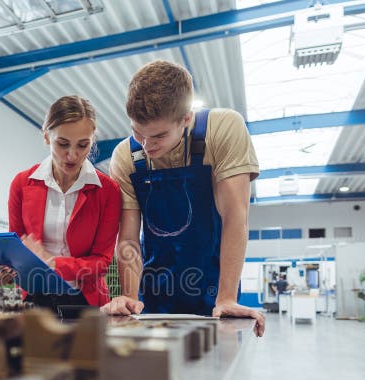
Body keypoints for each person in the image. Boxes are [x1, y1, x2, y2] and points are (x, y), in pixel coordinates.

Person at [100, 60, 265, 336]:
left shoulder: (222, 130)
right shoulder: (125, 155)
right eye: (137, 132)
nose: (146, 145)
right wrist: (129, 297)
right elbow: (128, 238)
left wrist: (226, 298)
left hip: (215, 294)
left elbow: (236, 219)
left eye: (159, 135)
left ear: (187, 118)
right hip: (154, 296)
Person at [0, 95, 122, 311]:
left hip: (85, 302)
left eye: (83, 145)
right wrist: (4, 269)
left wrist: (53, 262)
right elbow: (17, 245)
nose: (72, 155)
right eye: (62, 144)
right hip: (35, 299)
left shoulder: (107, 191)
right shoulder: (22, 184)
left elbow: (102, 262)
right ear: (46, 137)